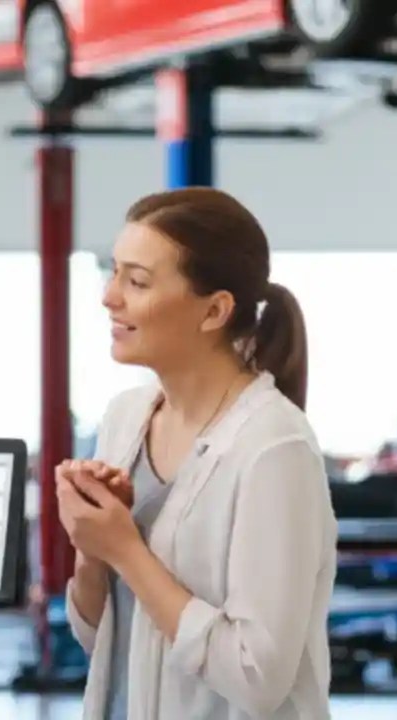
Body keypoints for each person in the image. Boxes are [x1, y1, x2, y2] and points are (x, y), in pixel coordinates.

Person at [54, 187, 337, 719]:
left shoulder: (273, 447)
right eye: (113, 273)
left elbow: (258, 676)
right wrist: (91, 544)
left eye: (136, 281)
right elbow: (100, 638)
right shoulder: (125, 418)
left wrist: (126, 551)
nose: (109, 296)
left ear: (214, 311)